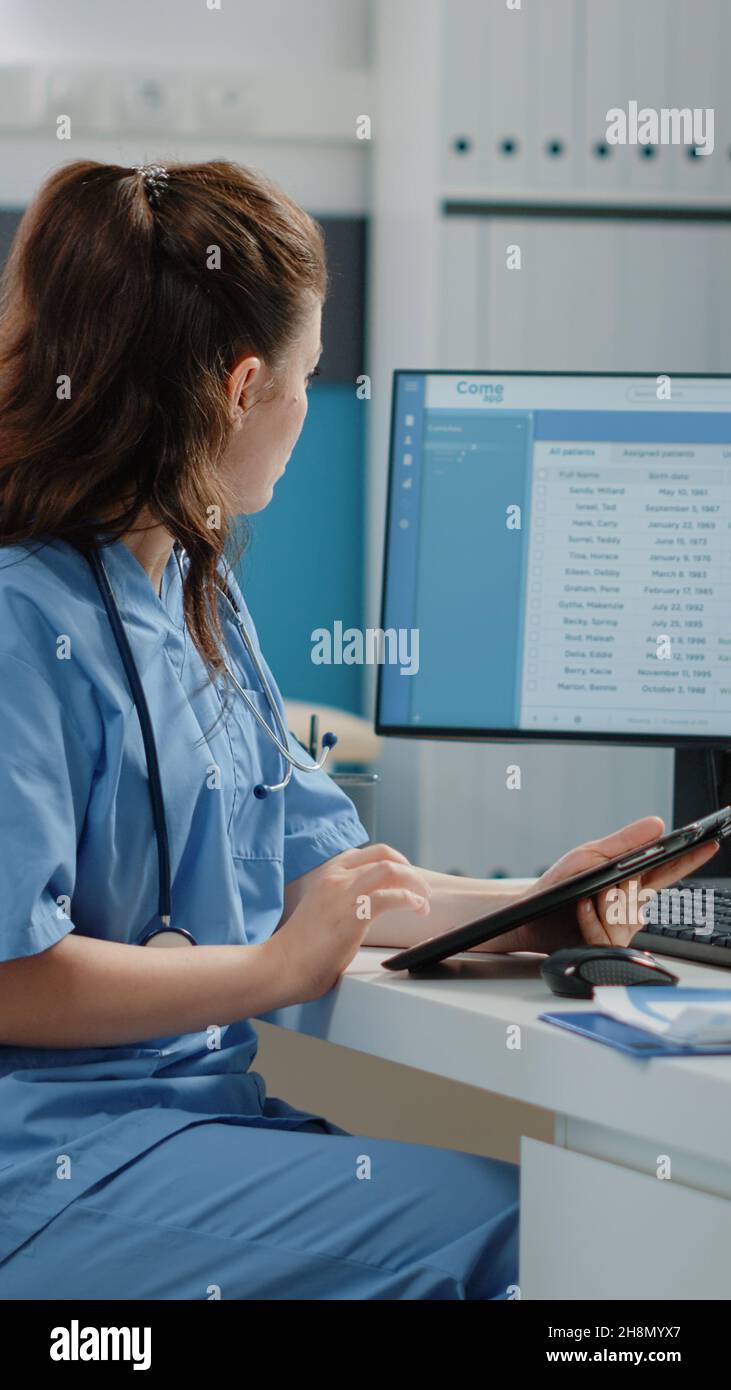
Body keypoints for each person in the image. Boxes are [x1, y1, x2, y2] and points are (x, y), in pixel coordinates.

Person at [0, 161, 716, 1301]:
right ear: (242, 388)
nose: (306, 406)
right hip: (52, 1168)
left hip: (190, 1122)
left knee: (585, 1222)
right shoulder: (19, 617)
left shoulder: (196, 591)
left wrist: (533, 904)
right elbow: (14, 975)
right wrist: (270, 969)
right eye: (309, 378)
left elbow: (329, 875)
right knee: (556, 1239)